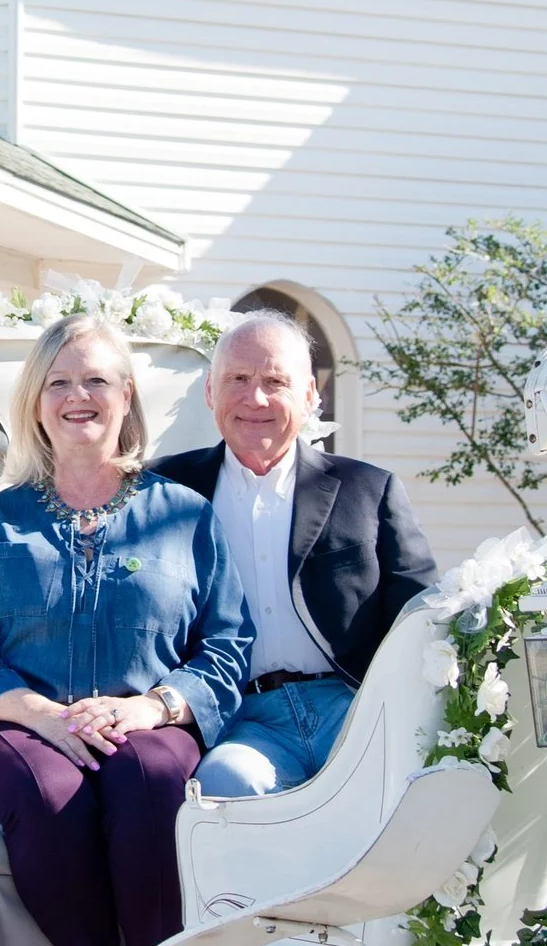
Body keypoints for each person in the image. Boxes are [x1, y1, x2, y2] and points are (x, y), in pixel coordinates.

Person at [0, 313, 253, 946]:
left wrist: (157, 708)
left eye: (97, 379)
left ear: (126, 396)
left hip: (141, 723)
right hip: (5, 725)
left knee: (151, 779)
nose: (79, 396)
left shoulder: (183, 514)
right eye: (59, 381)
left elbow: (229, 646)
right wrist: (32, 711)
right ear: (36, 403)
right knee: (51, 787)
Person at [155, 311, 439, 799]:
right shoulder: (165, 492)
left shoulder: (368, 490)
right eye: (238, 379)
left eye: (274, 381)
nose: (255, 398)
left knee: (410, 784)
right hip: (239, 717)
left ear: (310, 395)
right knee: (225, 785)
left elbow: (422, 612)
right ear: (209, 392)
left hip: (353, 706)